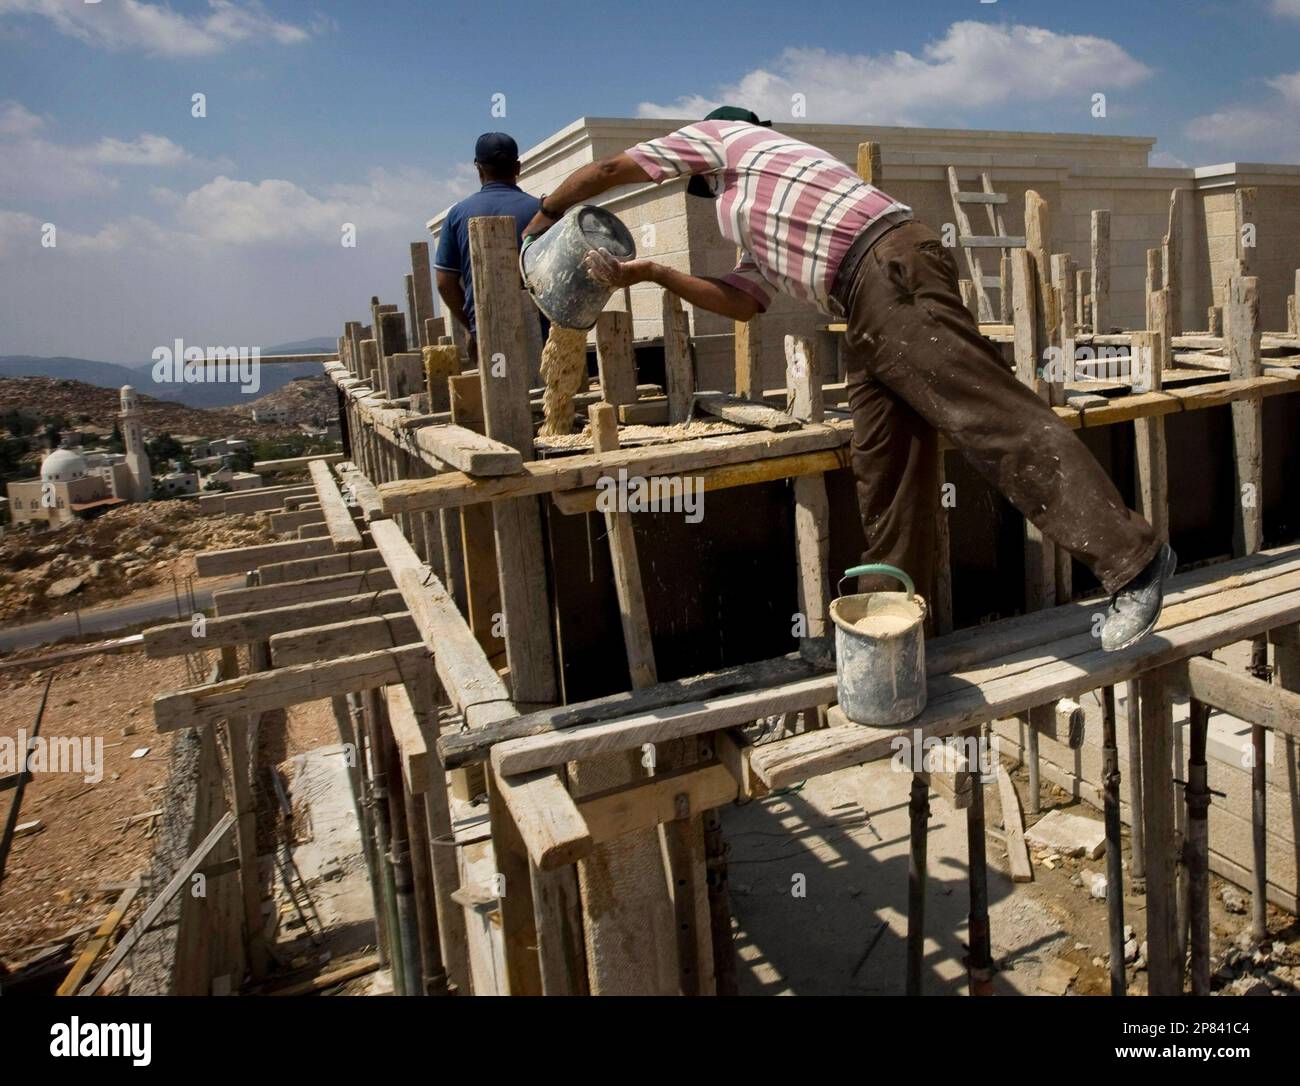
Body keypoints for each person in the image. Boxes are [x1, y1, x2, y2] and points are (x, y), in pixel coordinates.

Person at [522, 106, 1175, 652]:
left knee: (987, 413)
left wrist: (546, 212)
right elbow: (743, 302)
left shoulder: (729, 137)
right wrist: (655, 274)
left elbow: (608, 170)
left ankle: (1132, 559)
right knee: (886, 461)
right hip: (863, 299)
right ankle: (890, 628)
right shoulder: (761, 210)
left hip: (886, 271)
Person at [435, 132, 541, 361]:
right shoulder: (542, 211)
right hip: (540, 332)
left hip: (489, 333)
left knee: (499, 382)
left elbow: (444, 283)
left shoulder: (458, 214)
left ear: (478, 168)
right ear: (518, 168)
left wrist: (473, 327)